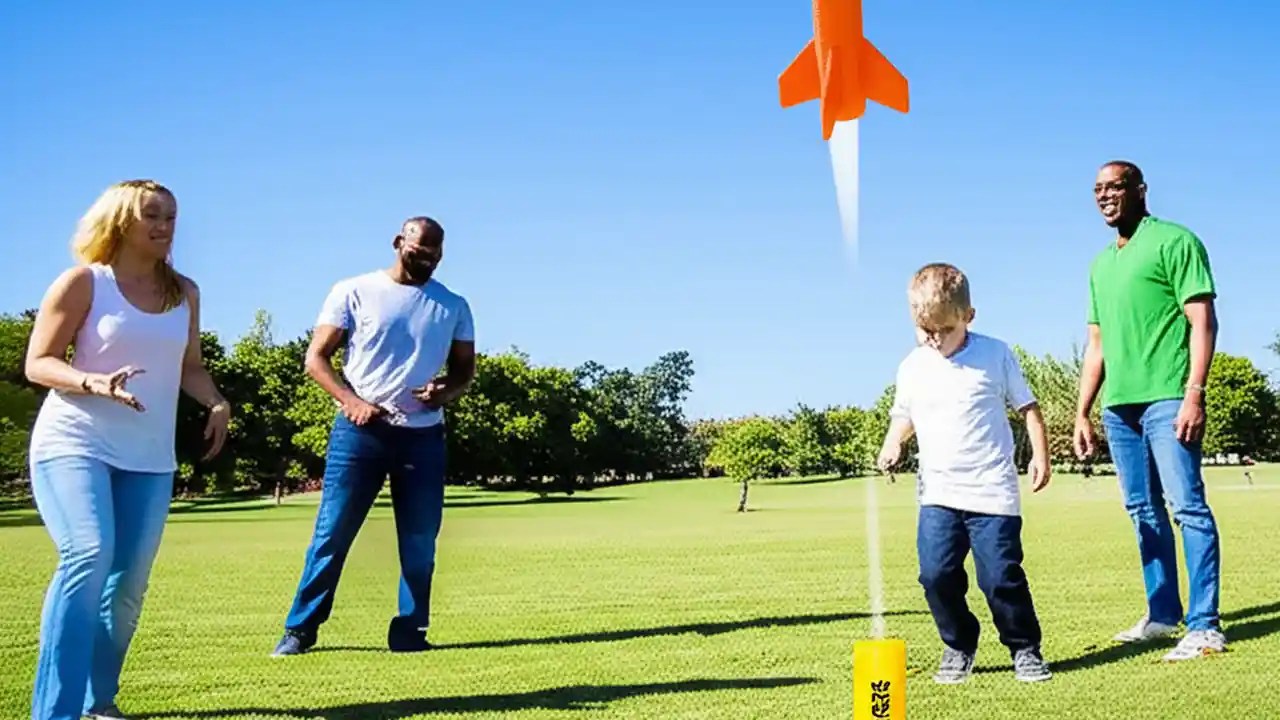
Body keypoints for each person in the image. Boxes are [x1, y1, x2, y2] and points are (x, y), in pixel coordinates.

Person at [23, 179, 231, 720]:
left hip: (149, 457)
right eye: (152, 217)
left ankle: (99, 702)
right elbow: (38, 362)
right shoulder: (84, 283)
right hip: (75, 442)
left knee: (129, 584)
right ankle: (56, 712)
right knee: (88, 554)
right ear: (120, 221)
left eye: (171, 217)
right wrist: (92, 382)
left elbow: (189, 367)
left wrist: (216, 403)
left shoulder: (183, 292)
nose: (164, 227)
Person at [272, 216, 476, 656]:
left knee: (420, 541)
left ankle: (409, 631)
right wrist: (352, 402)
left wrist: (446, 390)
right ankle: (300, 630)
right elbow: (316, 360)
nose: (427, 261)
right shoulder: (353, 290)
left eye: (435, 255)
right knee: (333, 533)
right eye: (420, 251)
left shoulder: (453, 305)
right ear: (399, 242)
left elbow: (464, 372)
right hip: (360, 433)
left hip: (422, 438)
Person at [1073, 160, 1225, 661]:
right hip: (1121, 409)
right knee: (1143, 511)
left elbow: (1203, 323)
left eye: (1113, 186)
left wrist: (1194, 393)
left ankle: (1204, 626)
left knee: (1188, 508)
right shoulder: (1099, 264)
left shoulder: (1176, 242)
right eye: (1097, 189)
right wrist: (1082, 412)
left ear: (1139, 189)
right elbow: (1095, 344)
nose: (1104, 196)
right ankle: (1163, 615)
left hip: (1168, 399)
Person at [877, 262, 1052, 685]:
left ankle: (1024, 647)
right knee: (935, 575)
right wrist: (894, 440)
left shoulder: (995, 354)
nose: (934, 340)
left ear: (968, 317)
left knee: (1000, 579)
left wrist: (1040, 456)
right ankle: (958, 644)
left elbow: (1028, 408)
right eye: (925, 331)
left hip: (992, 492)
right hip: (937, 493)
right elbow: (904, 414)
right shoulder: (913, 366)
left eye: (942, 330)